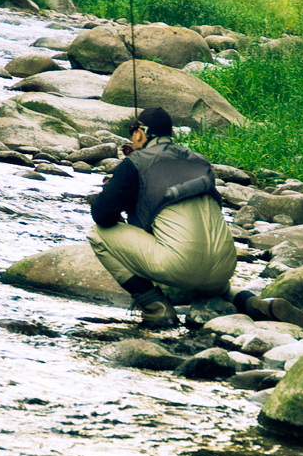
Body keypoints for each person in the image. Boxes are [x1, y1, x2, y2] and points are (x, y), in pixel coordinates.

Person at [87, 106, 237, 329]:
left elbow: (101, 214)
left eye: (132, 130)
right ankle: (245, 301)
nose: (131, 136)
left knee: (97, 234)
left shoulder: (135, 163)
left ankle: (156, 307)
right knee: (200, 263)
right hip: (225, 266)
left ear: (140, 132)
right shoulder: (200, 162)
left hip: (180, 267)